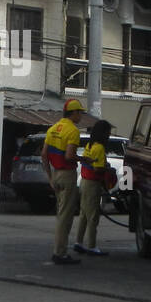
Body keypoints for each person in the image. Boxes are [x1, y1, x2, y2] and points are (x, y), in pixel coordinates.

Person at [42, 98, 85, 264]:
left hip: (56, 174)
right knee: (65, 217)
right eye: (79, 112)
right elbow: (69, 156)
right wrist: (83, 159)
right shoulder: (73, 131)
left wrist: (50, 177)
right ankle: (60, 253)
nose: (81, 115)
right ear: (73, 113)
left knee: (61, 214)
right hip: (67, 175)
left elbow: (44, 154)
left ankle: (59, 251)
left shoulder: (52, 129)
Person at [74, 119, 112, 256]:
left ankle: (79, 242)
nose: (109, 135)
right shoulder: (100, 148)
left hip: (84, 182)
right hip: (93, 184)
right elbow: (97, 169)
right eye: (108, 132)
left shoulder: (89, 146)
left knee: (84, 214)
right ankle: (92, 246)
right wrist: (107, 169)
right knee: (93, 216)